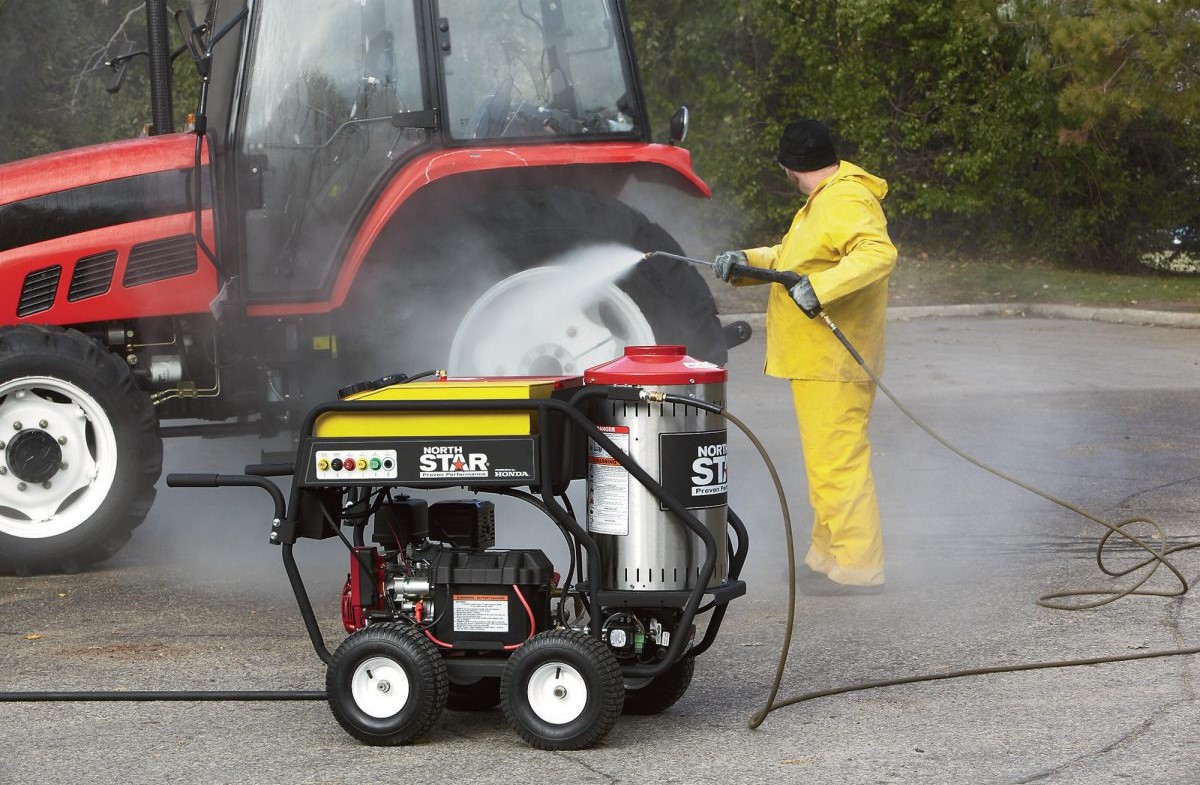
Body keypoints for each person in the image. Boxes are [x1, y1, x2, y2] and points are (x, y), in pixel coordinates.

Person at [713, 119, 896, 596]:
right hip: (819, 360)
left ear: (789, 168)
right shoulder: (825, 201)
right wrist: (744, 262)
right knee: (825, 464)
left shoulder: (844, 199)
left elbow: (877, 253)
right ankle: (828, 557)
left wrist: (820, 288)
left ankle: (858, 568)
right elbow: (791, 258)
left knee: (839, 464)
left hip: (834, 358)